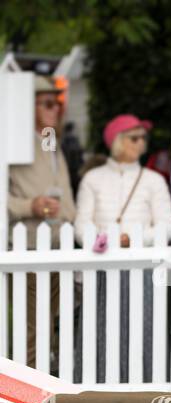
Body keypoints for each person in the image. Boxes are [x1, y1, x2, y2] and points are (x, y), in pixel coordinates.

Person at [75, 114, 171, 382]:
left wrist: (135, 239)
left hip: (143, 269)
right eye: (134, 137)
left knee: (144, 329)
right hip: (102, 267)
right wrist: (103, 240)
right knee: (101, 329)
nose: (141, 143)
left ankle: (146, 387)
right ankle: (95, 387)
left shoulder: (154, 180)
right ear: (117, 141)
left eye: (143, 138)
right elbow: (81, 222)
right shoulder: (93, 179)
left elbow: (167, 224)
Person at [8, 76, 77, 368]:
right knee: (35, 327)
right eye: (48, 103)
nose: (55, 109)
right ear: (28, 106)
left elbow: (66, 193)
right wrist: (30, 205)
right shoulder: (11, 143)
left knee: (55, 322)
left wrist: (70, 218)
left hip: (59, 245)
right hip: (29, 246)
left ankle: (47, 391)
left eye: (58, 103)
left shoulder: (52, 142)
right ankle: (29, 395)